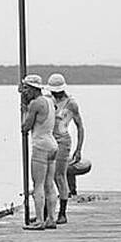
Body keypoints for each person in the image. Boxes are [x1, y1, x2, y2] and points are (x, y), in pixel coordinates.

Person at [19, 74, 58, 229]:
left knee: (38, 184)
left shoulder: (36, 103)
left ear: (34, 89)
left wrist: (24, 110)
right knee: (49, 183)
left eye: (27, 88)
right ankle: (51, 218)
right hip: (52, 144)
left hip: (40, 145)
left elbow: (25, 127)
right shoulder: (50, 100)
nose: (25, 91)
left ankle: (40, 220)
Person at [47, 73, 84, 225]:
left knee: (59, 176)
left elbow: (80, 126)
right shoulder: (48, 101)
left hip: (63, 140)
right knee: (46, 176)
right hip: (48, 140)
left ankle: (62, 213)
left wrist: (79, 149)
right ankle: (47, 212)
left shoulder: (71, 103)